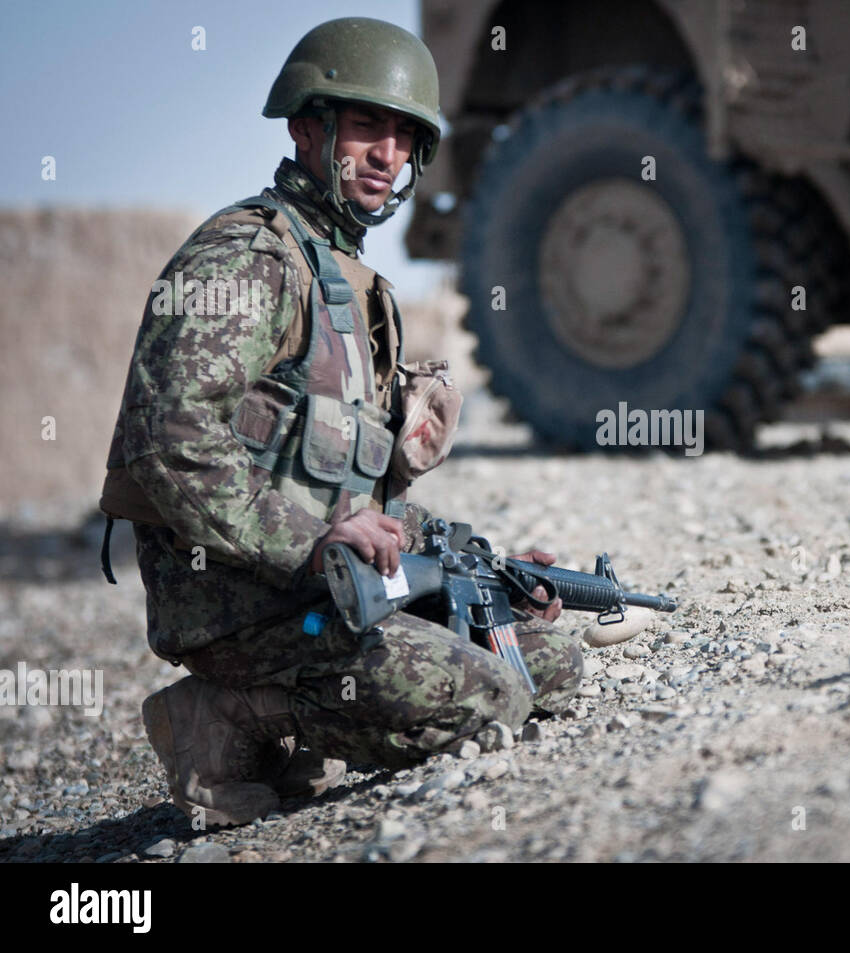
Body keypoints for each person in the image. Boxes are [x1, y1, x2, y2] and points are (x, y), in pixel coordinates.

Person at [99, 17, 582, 828]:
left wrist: (487, 568)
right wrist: (307, 543)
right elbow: (168, 440)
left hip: (332, 590)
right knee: (487, 695)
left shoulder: (358, 287)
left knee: (546, 661)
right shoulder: (248, 260)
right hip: (240, 599)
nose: (386, 153)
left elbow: (357, 491)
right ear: (308, 128)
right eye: (365, 126)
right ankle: (225, 715)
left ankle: (291, 713)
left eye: (403, 135)